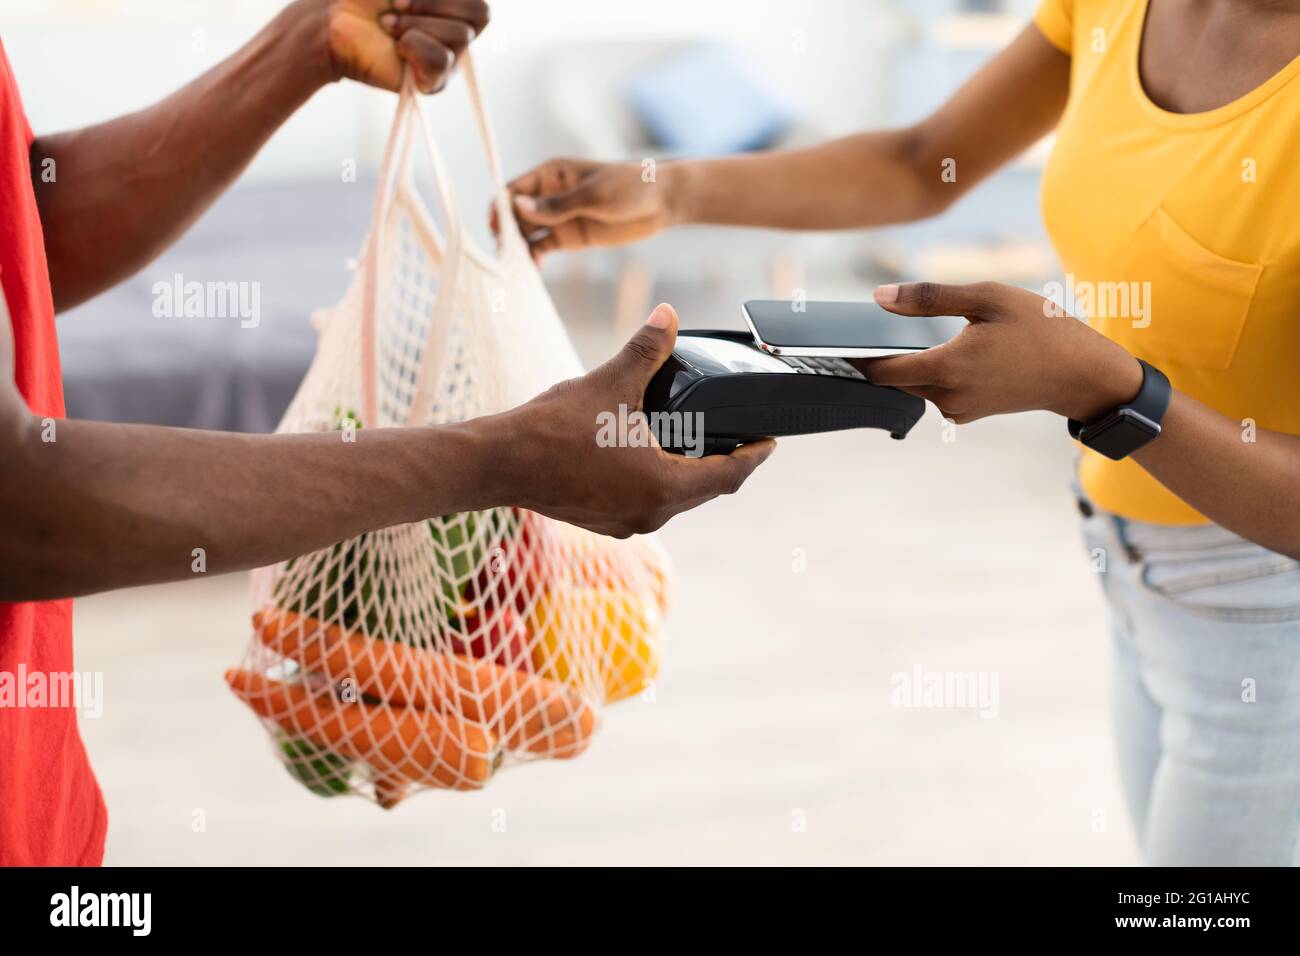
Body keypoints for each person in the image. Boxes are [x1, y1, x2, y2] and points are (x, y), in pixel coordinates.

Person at [504, 0, 1300, 865]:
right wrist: (674, 189)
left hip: (1267, 606)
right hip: (1132, 562)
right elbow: (927, 162)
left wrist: (1105, 388)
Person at [0, 0, 773, 866]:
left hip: (43, 806)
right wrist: (504, 459)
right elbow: (15, 503)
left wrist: (308, 40)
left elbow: (27, 234)